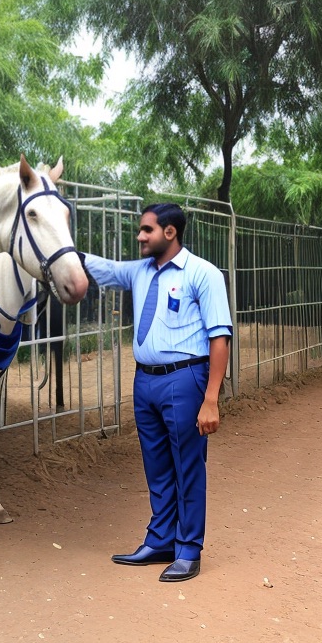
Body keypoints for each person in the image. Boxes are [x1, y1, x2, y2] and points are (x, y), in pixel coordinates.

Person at [83, 203, 232, 582]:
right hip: (145, 381)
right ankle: (161, 540)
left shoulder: (203, 274)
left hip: (184, 380)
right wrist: (57, 250)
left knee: (187, 467)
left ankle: (187, 550)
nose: (139, 237)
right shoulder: (139, 271)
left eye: (146, 230)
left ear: (170, 232)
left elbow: (220, 337)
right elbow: (104, 269)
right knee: (157, 467)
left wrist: (211, 397)